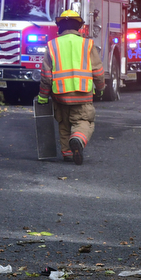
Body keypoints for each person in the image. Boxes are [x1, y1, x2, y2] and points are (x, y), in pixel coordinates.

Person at [37, 10, 105, 165]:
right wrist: (101, 88)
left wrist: (42, 96)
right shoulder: (87, 44)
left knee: (64, 123)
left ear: (59, 26)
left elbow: (46, 76)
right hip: (82, 95)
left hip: (60, 95)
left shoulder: (52, 45)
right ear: (79, 27)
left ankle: (68, 153)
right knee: (84, 121)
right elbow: (98, 71)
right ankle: (78, 140)